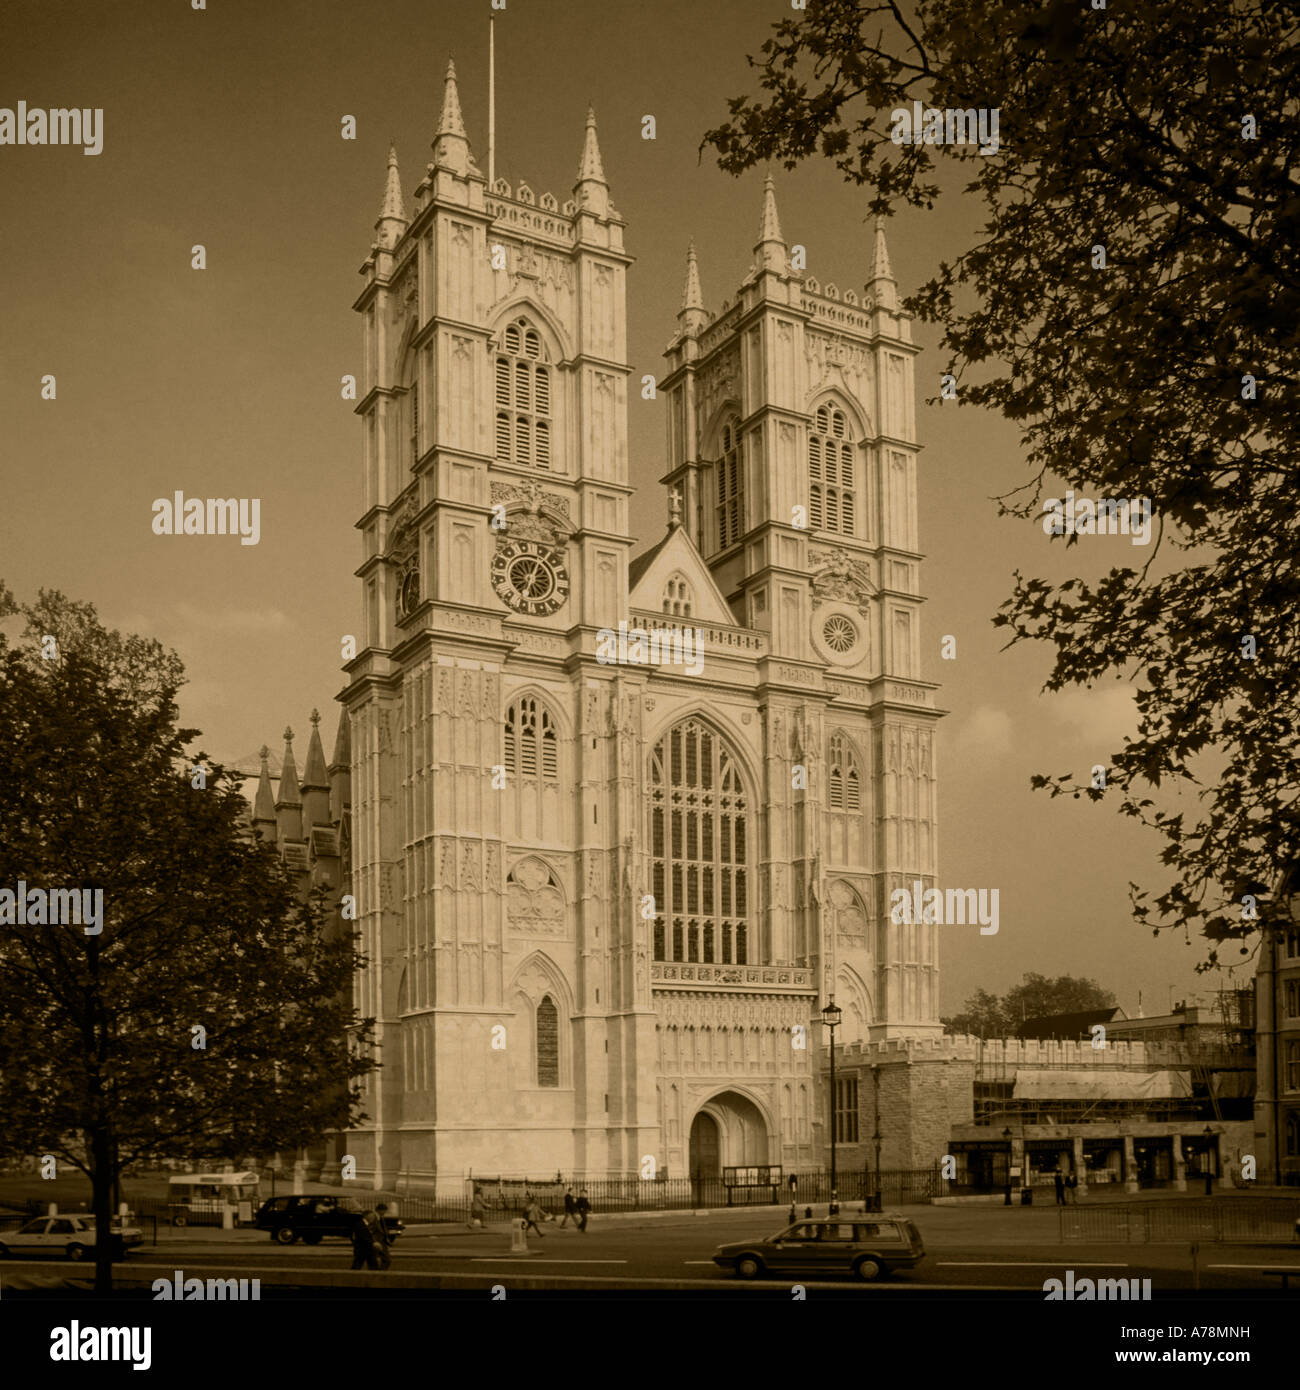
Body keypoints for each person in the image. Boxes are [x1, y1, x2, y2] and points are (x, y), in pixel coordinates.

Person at [367, 1205, 392, 1270]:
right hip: (377, 1241)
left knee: (383, 1259)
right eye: (384, 1211)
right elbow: (370, 1230)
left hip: (381, 1241)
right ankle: (380, 1273)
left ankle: (379, 1272)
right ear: (379, 1210)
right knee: (385, 1259)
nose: (385, 1213)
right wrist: (373, 1241)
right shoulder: (374, 1218)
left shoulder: (380, 1218)